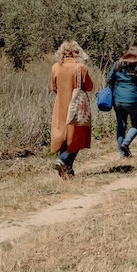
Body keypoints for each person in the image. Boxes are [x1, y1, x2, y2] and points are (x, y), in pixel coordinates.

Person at [50, 40, 93, 177]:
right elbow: (90, 87)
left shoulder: (55, 67)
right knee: (77, 137)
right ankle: (63, 161)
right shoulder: (81, 68)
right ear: (77, 52)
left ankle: (67, 170)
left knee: (63, 136)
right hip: (77, 107)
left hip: (60, 105)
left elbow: (53, 88)